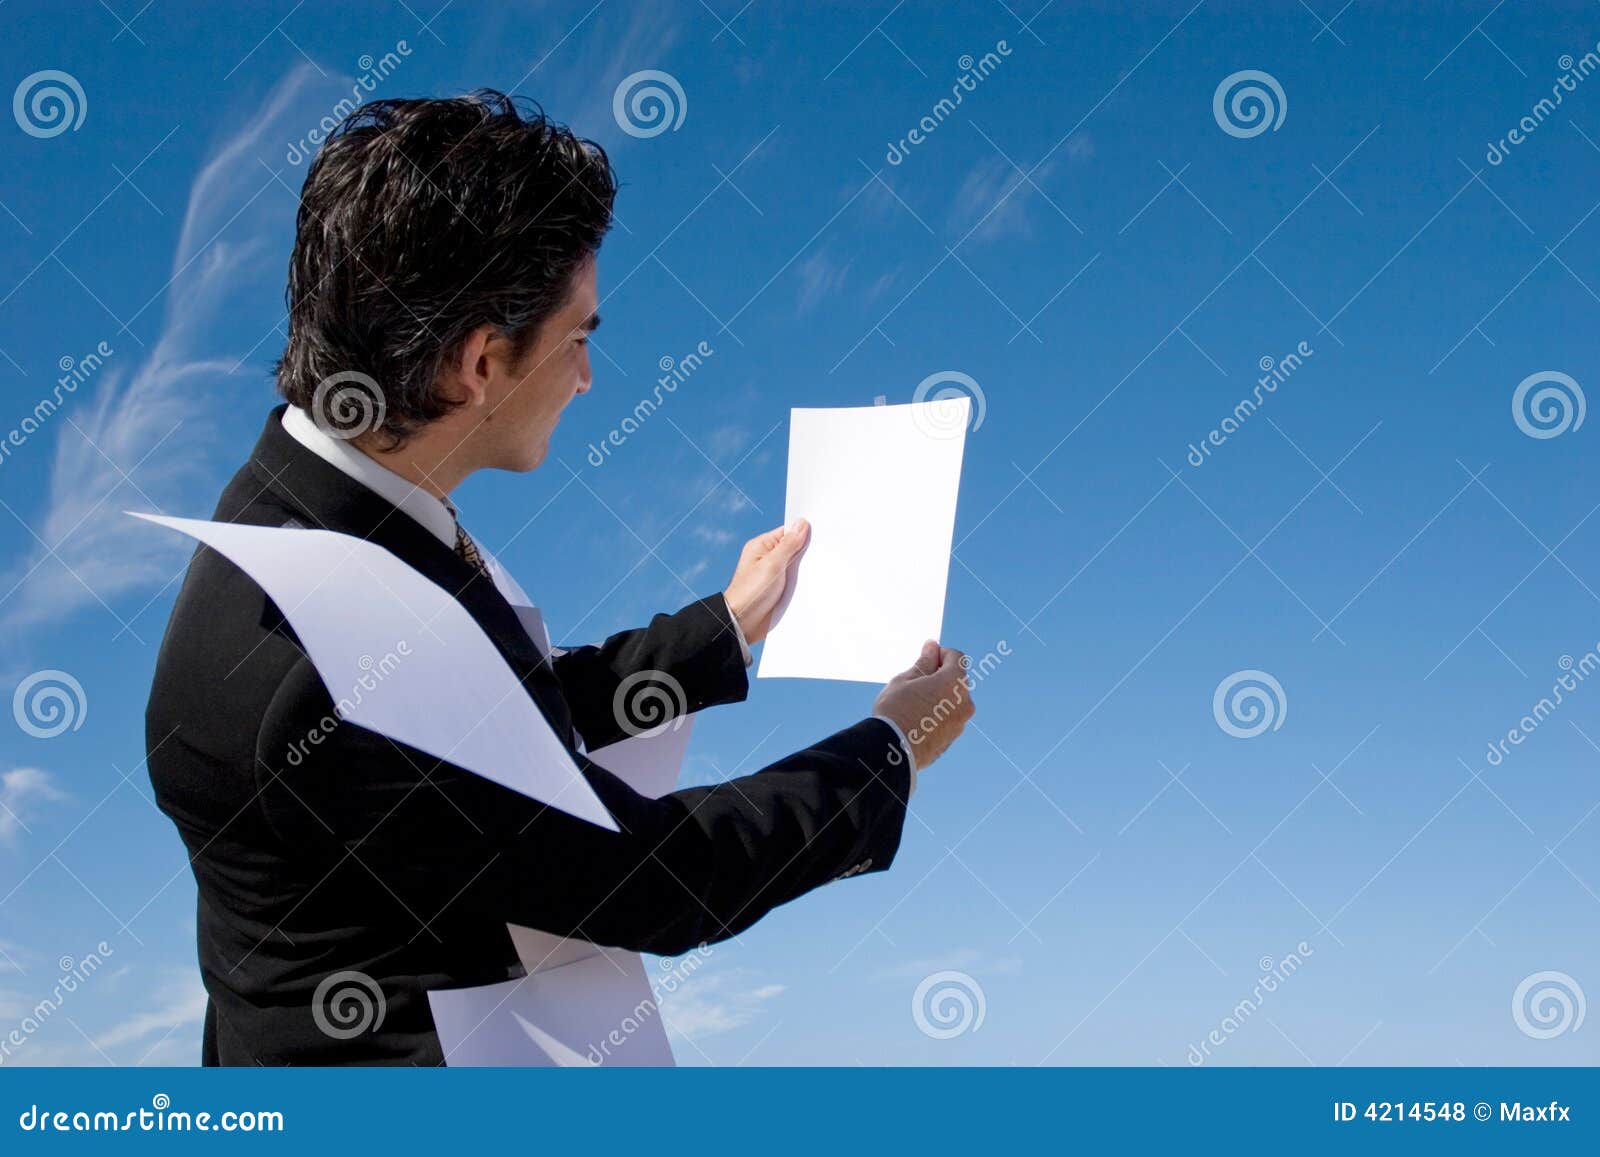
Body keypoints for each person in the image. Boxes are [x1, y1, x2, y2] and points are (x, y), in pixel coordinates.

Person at [144, 90, 974, 1065]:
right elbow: (655, 877)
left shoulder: (334, 498)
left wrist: (726, 624)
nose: (586, 378)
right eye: (578, 337)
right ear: (480, 364)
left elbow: (505, 711)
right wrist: (889, 749)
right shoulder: (308, 662)